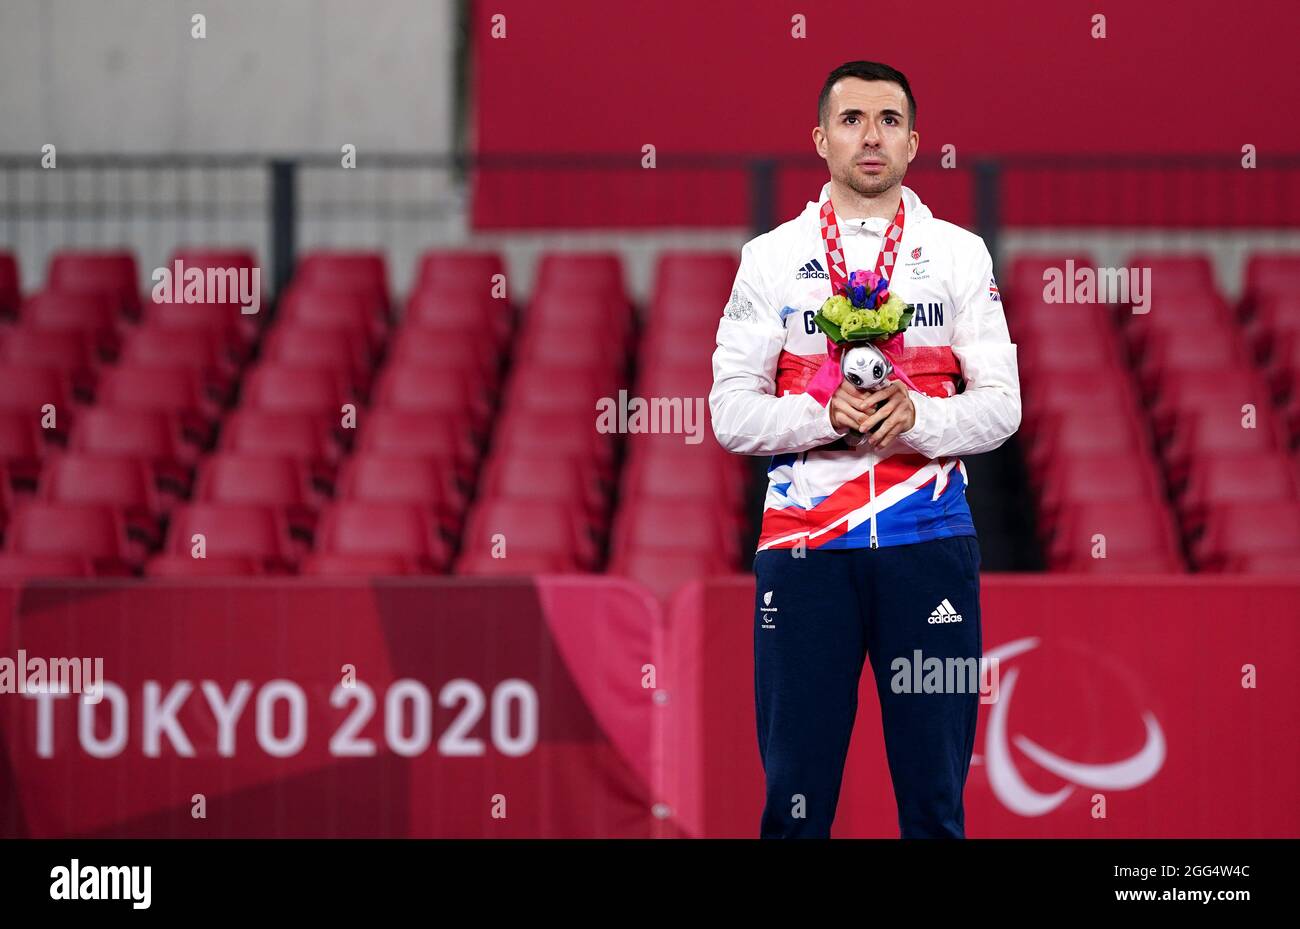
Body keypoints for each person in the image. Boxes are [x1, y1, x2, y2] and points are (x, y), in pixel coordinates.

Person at [709, 60, 1021, 838]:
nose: (871, 135)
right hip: (806, 553)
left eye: (889, 120)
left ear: (915, 143)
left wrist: (915, 417)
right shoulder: (770, 257)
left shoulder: (960, 254)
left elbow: (1003, 409)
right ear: (821, 138)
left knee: (935, 804)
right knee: (794, 803)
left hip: (928, 546)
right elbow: (728, 413)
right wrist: (824, 412)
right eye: (852, 119)